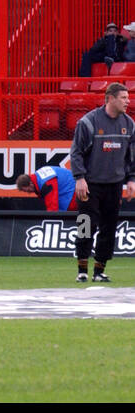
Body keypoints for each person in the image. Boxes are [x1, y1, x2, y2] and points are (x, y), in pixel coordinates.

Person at [69, 82, 135, 282]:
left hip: (114, 185)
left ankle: (99, 270)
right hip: (90, 184)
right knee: (85, 225)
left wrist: (131, 179)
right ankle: (81, 269)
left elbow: (132, 156)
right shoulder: (88, 122)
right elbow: (76, 152)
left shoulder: (129, 124)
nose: (128, 101)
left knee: (109, 227)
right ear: (110, 99)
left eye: (127, 97)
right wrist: (79, 178)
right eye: (123, 98)